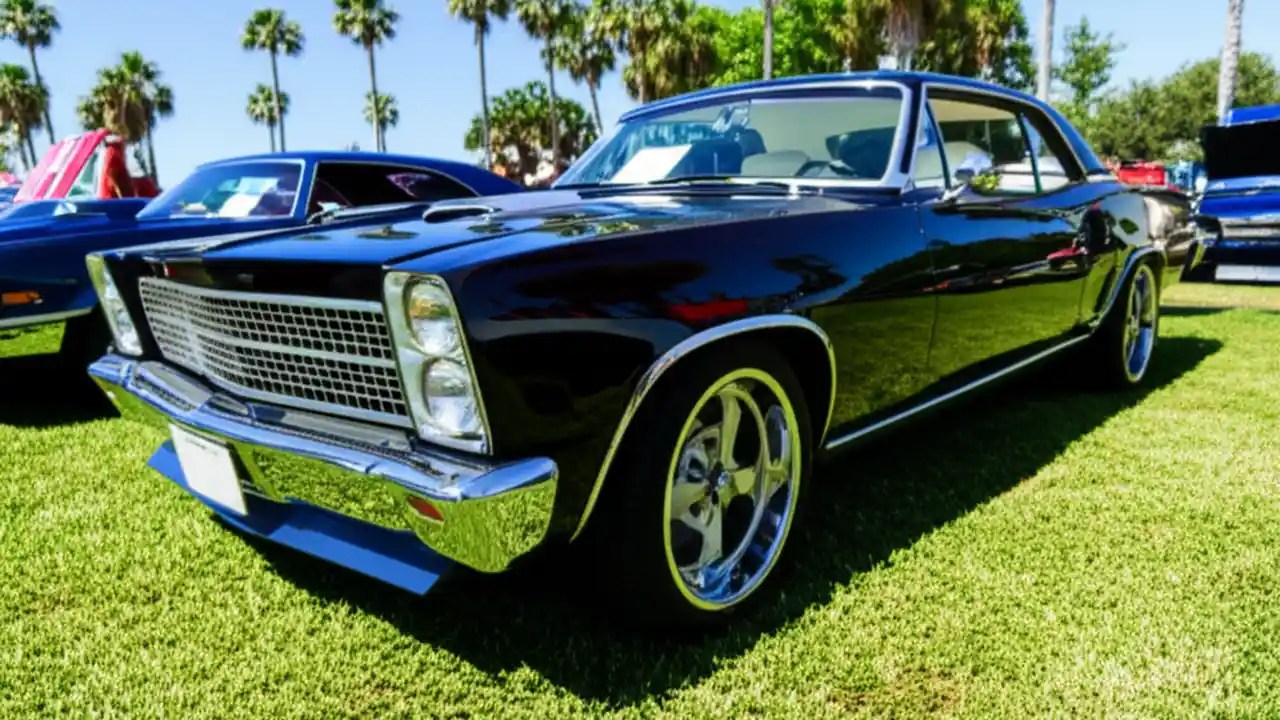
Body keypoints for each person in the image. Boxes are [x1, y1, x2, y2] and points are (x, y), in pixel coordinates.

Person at [98, 135, 135, 199]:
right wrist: (121, 199)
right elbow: (112, 180)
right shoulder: (114, 154)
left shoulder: (116, 154)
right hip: (115, 200)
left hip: (116, 199)